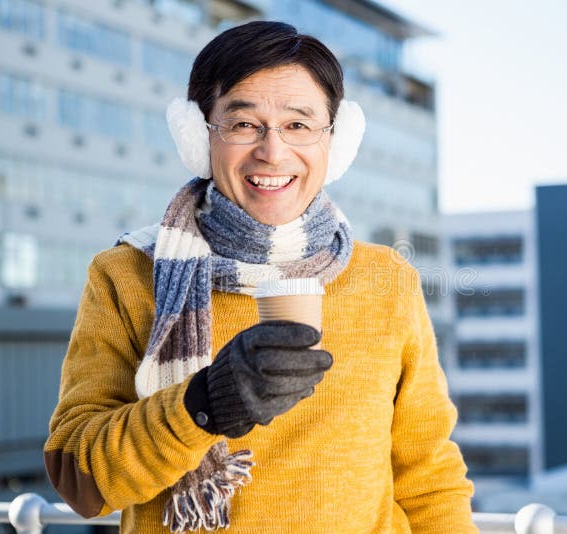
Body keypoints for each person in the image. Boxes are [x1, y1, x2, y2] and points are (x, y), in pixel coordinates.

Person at [44, 20, 476, 533]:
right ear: (198, 137)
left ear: (335, 143)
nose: (272, 152)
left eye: (298, 125)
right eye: (244, 124)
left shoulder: (387, 279)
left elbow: (429, 478)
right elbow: (78, 476)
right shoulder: (127, 274)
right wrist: (203, 405)